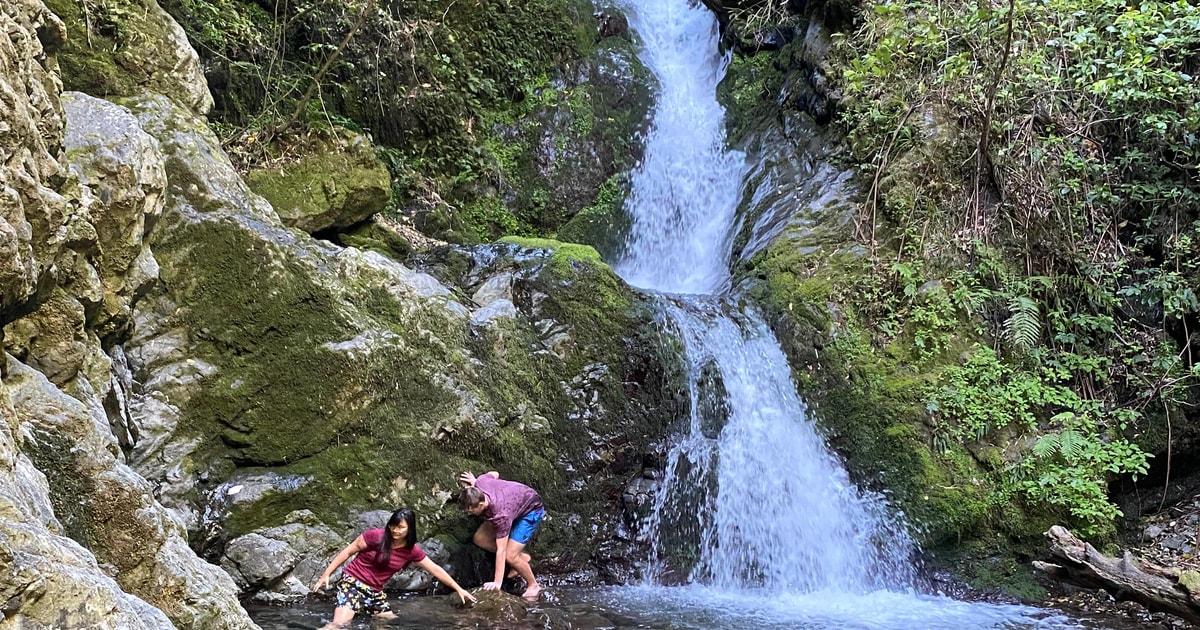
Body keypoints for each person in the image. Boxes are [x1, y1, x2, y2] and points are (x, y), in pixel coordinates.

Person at [311, 507, 475, 628]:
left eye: (401, 527)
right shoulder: (375, 536)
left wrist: (458, 588)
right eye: (393, 526)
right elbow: (348, 551)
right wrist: (326, 574)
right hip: (353, 583)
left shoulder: (411, 551)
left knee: (390, 622)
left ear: (410, 529)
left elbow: (435, 569)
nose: (395, 531)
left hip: (375, 591)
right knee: (339, 625)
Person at [457, 470, 545, 601]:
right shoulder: (480, 482)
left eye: (471, 511)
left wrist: (497, 582)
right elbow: (495, 474)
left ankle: (533, 585)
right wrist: (475, 482)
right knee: (480, 539)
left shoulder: (500, 516)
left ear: (481, 504)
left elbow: (501, 550)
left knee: (509, 555)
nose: (469, 514)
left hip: (531, 509)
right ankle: (522, 558)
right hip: (513, 503)